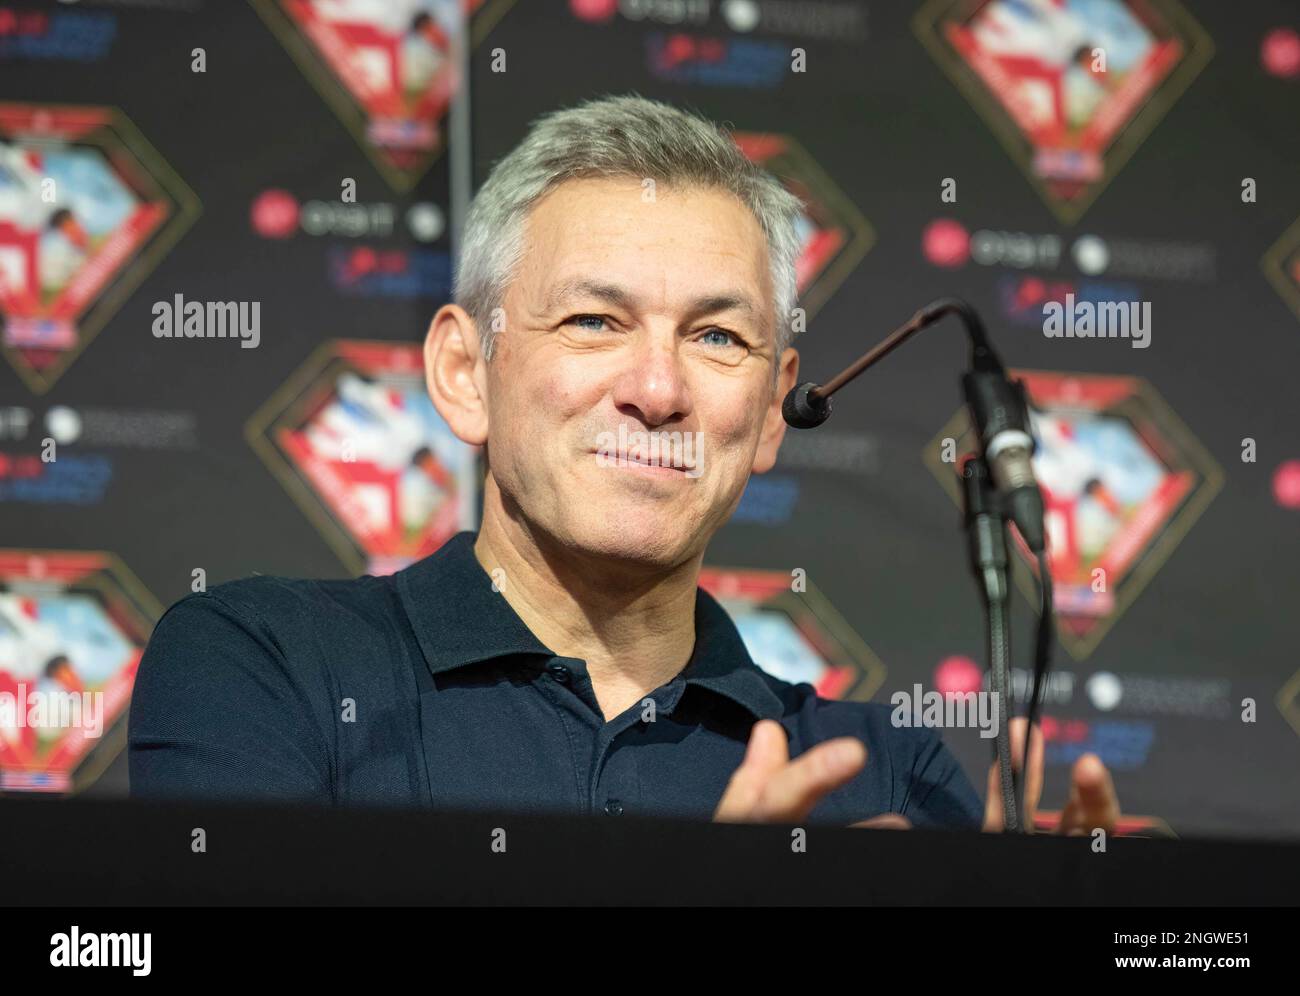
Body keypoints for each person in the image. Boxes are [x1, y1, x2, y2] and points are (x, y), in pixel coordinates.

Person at [129, 94, 1119, 833]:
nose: (656, 388)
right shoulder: (264, 664)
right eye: (595, 321)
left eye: (718, 339)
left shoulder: (876, 778)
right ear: (466, 372)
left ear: (774, 413)